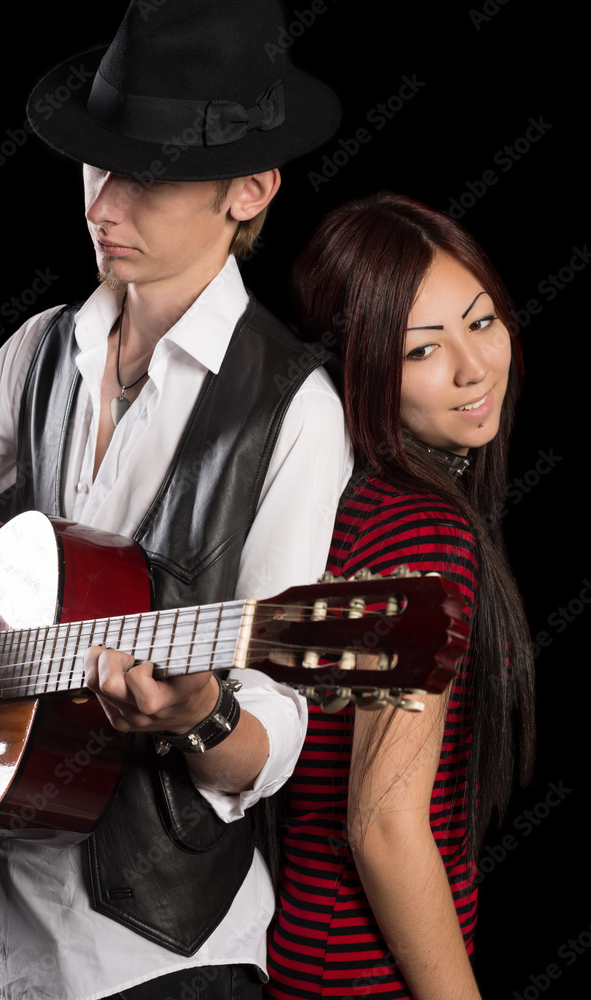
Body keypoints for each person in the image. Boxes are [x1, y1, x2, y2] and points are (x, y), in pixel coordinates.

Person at [0, 2, 353, 998]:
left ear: (250, 189)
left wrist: (198, 715)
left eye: (147, 177)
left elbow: (270, 728)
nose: (100, 205)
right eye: (94, 164)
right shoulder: (35, 354)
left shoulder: (294, 412)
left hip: (152, 964)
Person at [265, 193, 536, 1000]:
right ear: (359, 365)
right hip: (355, 972)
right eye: (422, 350)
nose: (472, 366)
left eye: (481, 323)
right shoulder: (419, 533)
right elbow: (382, 826)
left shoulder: (350, 503)